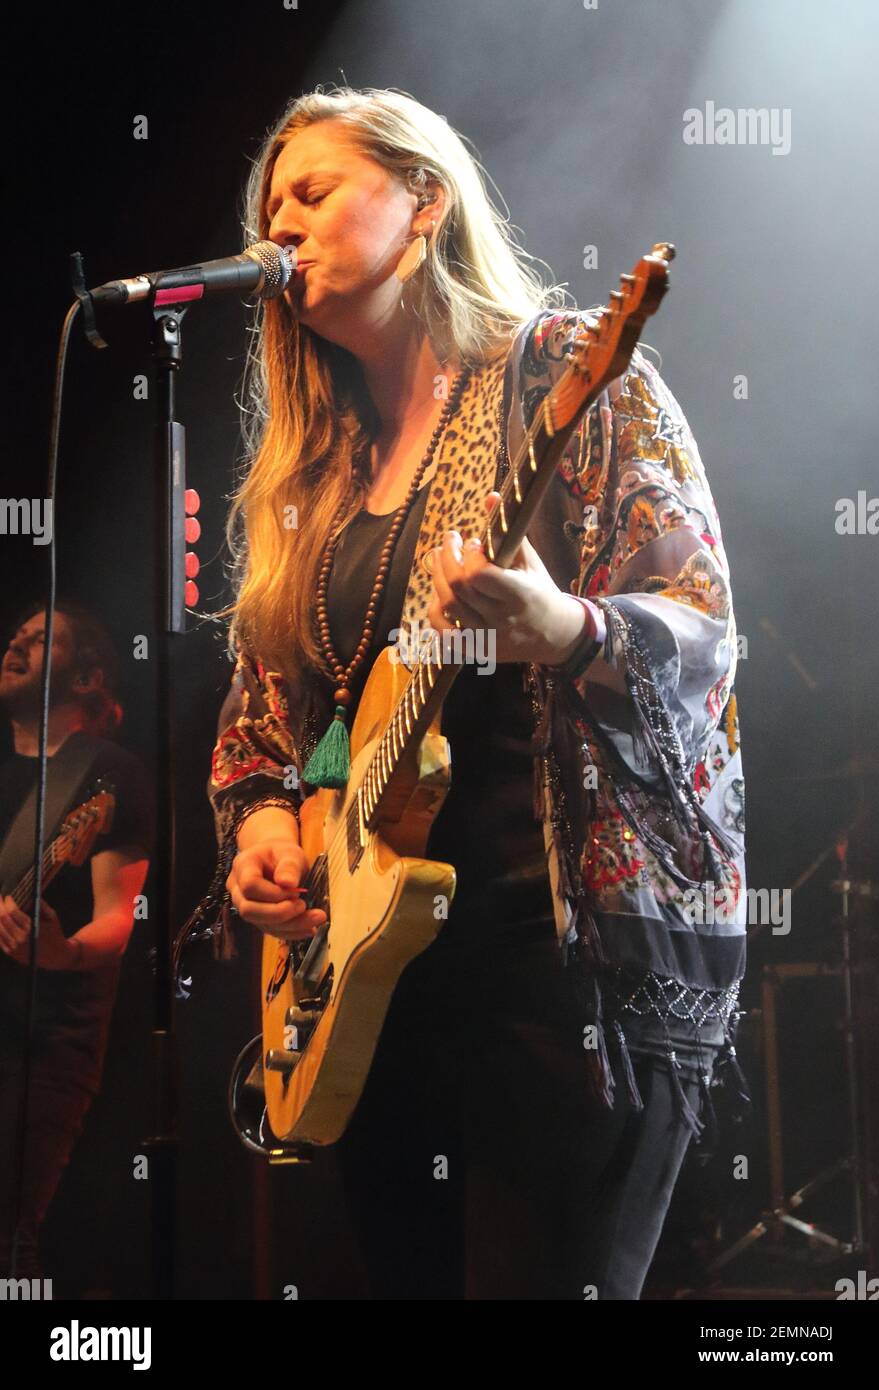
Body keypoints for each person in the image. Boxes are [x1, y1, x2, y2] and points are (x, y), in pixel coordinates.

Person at [184, 85, 748, 1299]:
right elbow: (258, 726)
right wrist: (269, 822)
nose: (278, 223)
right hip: (375, 991)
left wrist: (568, 625)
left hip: (563, 972)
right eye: (269, 203)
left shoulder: (560, 373)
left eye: (314, 191)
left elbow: (703, 632)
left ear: (425, 200)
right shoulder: (313, 479)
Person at [0, 602, 152, 1278]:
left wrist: (59, 953)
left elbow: (116, 918)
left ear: (87, 678)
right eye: (19, 633)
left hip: (36, 1046)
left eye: (43, 639)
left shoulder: (105, 773)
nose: (17, 641)